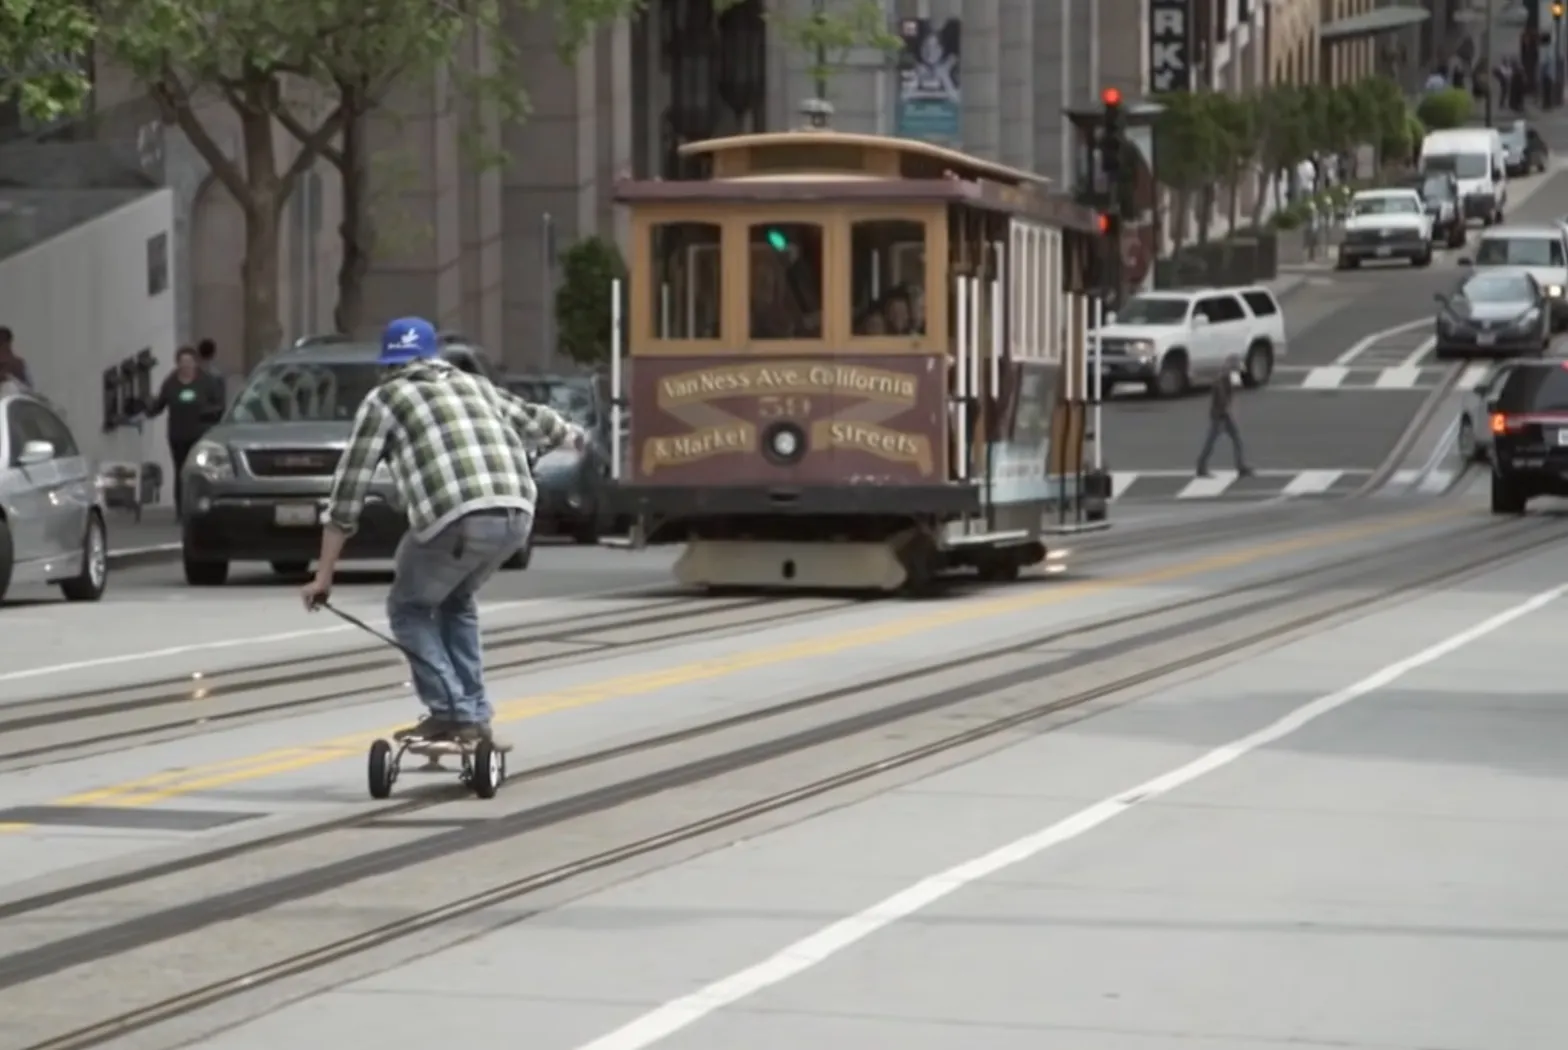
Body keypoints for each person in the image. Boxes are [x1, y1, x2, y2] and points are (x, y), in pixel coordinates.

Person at [300, 317, 584, 743]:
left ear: (388, 363)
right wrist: (578, 439)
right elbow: (541, 421)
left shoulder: (385, 400)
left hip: (458, 516)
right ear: (433, 355)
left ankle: (454, 712)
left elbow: (347, 492)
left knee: (409, 608)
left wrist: (324, 575)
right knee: (456, 600)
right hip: (517, 514)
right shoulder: (475, 386)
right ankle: (474, 711)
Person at [144, 346, 226, 512]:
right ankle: (181, 509)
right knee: (181, 471)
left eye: (189, 362)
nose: (186, 365)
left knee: (199, 471)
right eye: (182, 362)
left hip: (200, 436)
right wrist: (148, 406)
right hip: (178, 435)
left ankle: (202, 505)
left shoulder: (206, 381)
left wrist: (205, 413)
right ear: (178, 364)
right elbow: (160, 404)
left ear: (195, 363)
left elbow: (219, 406)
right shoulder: (171, 382)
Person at [1195, 354, 1253, 480]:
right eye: (1236, 369)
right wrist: (1228, 412)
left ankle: (1241, 466)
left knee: (1236, 439)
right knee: (1211, 442)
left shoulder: (1229, 378)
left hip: (1225, 415)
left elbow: (1234, 392)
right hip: (1219, 416)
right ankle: (1201, 466)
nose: (1237, 372)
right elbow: (1222, 401)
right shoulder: (1220, 381)